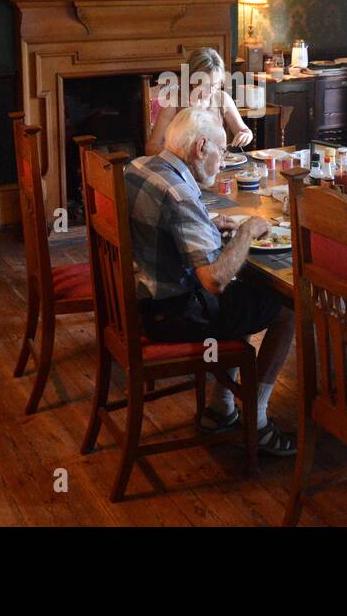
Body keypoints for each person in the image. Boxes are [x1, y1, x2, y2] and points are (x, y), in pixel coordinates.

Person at [125, 107, 297, 456]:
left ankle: (223, 407)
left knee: (247, 294)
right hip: (170, 314)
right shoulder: (181, 195)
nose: (224, 161)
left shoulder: (139, 167)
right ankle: (257, 414)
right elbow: (214, 281)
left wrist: (207, 223)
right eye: (222, 151)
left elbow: (167, 228)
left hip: (138, 299)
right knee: (287, 305)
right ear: (200, 147)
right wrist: (247, 230)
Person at [145, 47, 253, 156]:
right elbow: (151, 147)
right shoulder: (174, 102)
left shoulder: (222, 99)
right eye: (205, 85)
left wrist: (246, 135)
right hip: (184, 168)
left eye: (215, 85)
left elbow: (244, 130)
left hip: (217, 167)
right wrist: (181, 156)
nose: (211, 91)